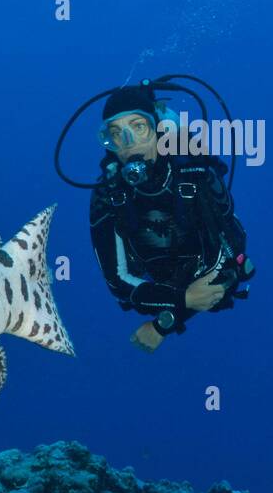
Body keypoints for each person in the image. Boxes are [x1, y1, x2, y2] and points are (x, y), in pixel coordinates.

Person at [88, 84, 254, 352]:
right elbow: (117, 283)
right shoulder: (107, 195)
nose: (129, 143)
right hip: (161, 283)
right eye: (116, 134)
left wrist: (166, 322)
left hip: (202, 273)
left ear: (157, 129)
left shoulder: (194, 174)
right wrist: (184, 299)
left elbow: (235, 246)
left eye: (139, 127)